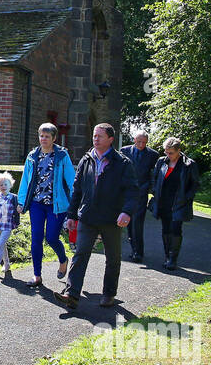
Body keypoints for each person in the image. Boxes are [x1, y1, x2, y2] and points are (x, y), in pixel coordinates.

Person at [54, 123, 138, 309]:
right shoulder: (86, 160)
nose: (95, 139)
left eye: (100, 136)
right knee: (80, 254)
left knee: (113, 257)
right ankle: (71, 294)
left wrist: (126, 212)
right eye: (94, 135)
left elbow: (133, 191)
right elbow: (77, 190)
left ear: (110, 139)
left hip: (111, 219)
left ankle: (109, 294)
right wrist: (71, 215)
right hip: (88, 217)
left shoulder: (122, 163)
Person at [15, 123, 76, 287]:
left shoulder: (62, 156)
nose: (43, 139)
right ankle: (37, 275)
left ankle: (63, 260)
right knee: (36, 239)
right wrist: (21, 202)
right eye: (41, 136)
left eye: (47, 136)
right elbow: (25, 181)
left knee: (51, 237)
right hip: (36, 204)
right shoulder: (32, 156)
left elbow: (71, 180)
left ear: (54, 138)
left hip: (56, 205)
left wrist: (76, 203)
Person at [151, 136, 200, 270]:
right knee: (165, 229)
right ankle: (167, 257)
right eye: (166, 151)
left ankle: (173, 259)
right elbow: (154, 178)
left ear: (179, 150)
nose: (168, 154)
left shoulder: (189, 164)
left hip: (179, 203)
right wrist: (155, 191)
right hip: (163, 202)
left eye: (171, 152)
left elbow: (195, 184)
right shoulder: (161, 162)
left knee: (175, 229)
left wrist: (187, 198)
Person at [121, 131, 160, 263]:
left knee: (138, 223)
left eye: (144, 142)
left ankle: (139, 252)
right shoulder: (124, 151)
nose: (141, 144)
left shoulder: (153, 155)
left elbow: (154, 174)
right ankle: (133, 250)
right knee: (129, 222)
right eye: (139, 142)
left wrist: (150, 189)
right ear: (134, 139)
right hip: (126, 193)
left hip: (141, 193)